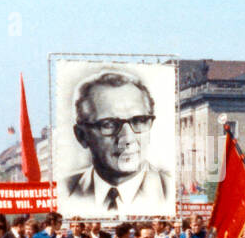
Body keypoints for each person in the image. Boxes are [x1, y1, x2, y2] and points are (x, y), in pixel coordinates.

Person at [61, 71, 172, 216]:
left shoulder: (170, 189)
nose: (127, 138)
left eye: (139, 121)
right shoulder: (64, 191)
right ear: (82, 136)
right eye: (109, 124)